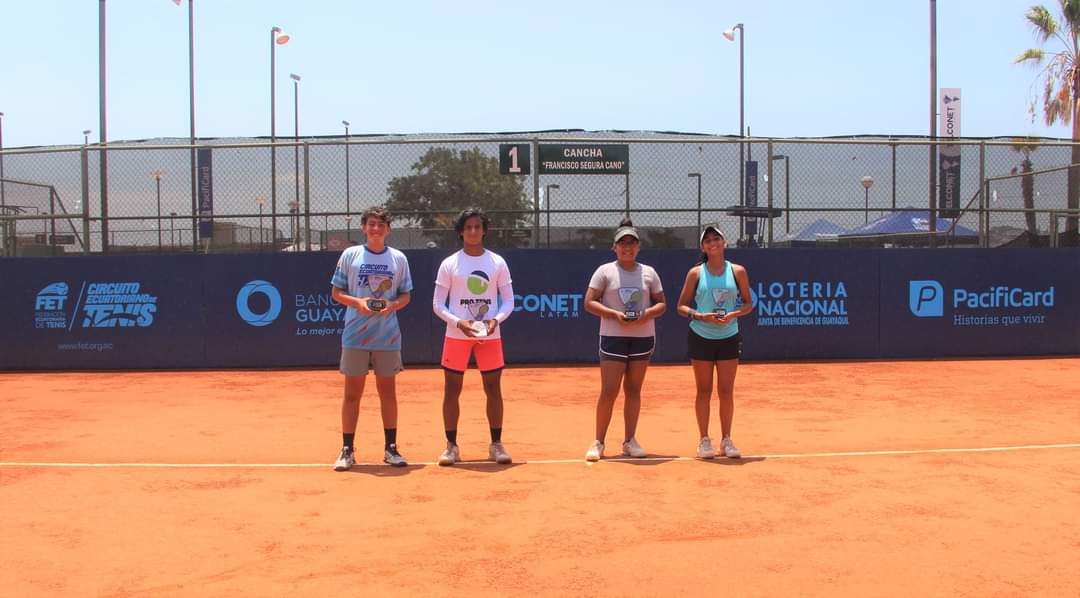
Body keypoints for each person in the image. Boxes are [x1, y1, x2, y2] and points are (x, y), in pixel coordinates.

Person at [330, 206, 413, 471]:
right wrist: (359, 302)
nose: (376, 229)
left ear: (388, 229)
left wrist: (392, 306)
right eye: (371, 224)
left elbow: (405, 296)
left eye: (381, 225)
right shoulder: (350, 255)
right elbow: (336, 293)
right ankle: (347, 450)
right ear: (364, 228)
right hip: (355, 335)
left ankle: (391, 449)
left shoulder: (398, 258)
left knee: (387, 394)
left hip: (387, 337)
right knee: (352, 395)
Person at [432, 207, 516, 466]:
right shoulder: (450, 264)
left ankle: (496, 444)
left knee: (493, 389)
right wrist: (460, 323)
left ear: (484, 231)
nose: (472, 231)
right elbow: (438, 304)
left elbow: (509, 301)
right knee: (451, 390)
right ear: (460, 232)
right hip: (456, 336)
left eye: (477, 227)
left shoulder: (497, 262)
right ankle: (451, 446)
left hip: (490, 336)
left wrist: (494, 320)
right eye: (467, 227)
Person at [583, 218, 667, 462]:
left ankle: (630, 440)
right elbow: (589, 302)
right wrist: (614, 315)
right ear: (614, 247)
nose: (627, 247)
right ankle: (598, 441)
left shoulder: (649, 273)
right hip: (612, 337)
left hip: (642, 337)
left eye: (632, 243)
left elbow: (662, 303)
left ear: (638, 247)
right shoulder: (605, 271)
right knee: (609, 390)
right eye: (623, 243)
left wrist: (646, 314)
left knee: (633, 390)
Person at [675, 224, 752, 459]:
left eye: (716, 239)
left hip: (729, 336)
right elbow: (681, 306)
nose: (713, 243)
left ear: (724, 243)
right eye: (708, 240)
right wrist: (701, 316)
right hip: (701, 336)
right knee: (704, 390)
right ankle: (704, 440)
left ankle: (727, 440)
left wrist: (733, 315)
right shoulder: (695, 273)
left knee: (726, 391)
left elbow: (748, 304)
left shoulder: (738, 271)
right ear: (703, 247)